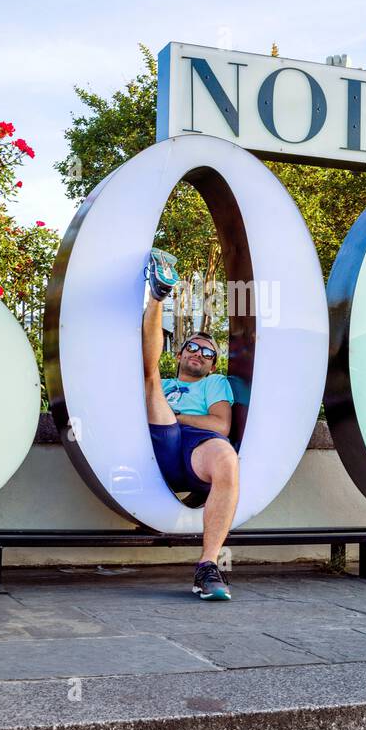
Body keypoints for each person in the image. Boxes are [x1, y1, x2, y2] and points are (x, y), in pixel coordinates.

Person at [143, 249, 238, 600]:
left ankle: (208, 566)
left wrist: (177, 416)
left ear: (213, 365)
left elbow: (220, 425)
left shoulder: (215, 384)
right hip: (156, 442)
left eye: (208, 352)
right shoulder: (163, 383)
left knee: (227, 458)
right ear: (180, 355)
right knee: (149, 377)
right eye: (192, 348)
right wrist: (166, 416)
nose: (199, 353)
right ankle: (157, 296)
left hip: (195, 445)